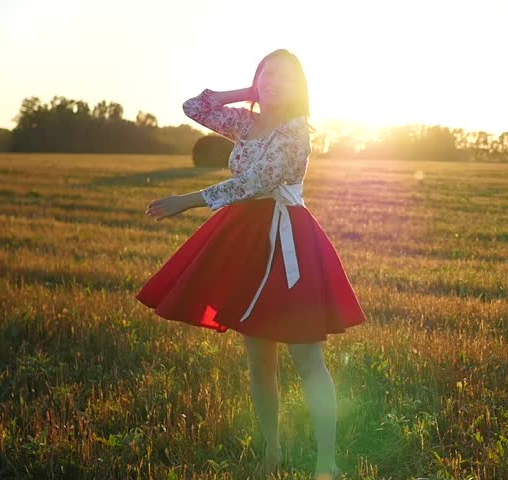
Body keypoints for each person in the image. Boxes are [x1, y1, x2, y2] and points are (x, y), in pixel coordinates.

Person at [135, 49, 366, 480]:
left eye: (285, 76)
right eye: (267, 73)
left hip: (286, 240)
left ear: (301, 87)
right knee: (258, 359)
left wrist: (187, 201)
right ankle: (271, 453)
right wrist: (250, 90)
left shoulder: (297, 131)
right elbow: (194, 106)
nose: (275, 81)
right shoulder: (243, 121)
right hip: (246, 242)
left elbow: (256, 182)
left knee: (306, 357)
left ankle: (326, 462)